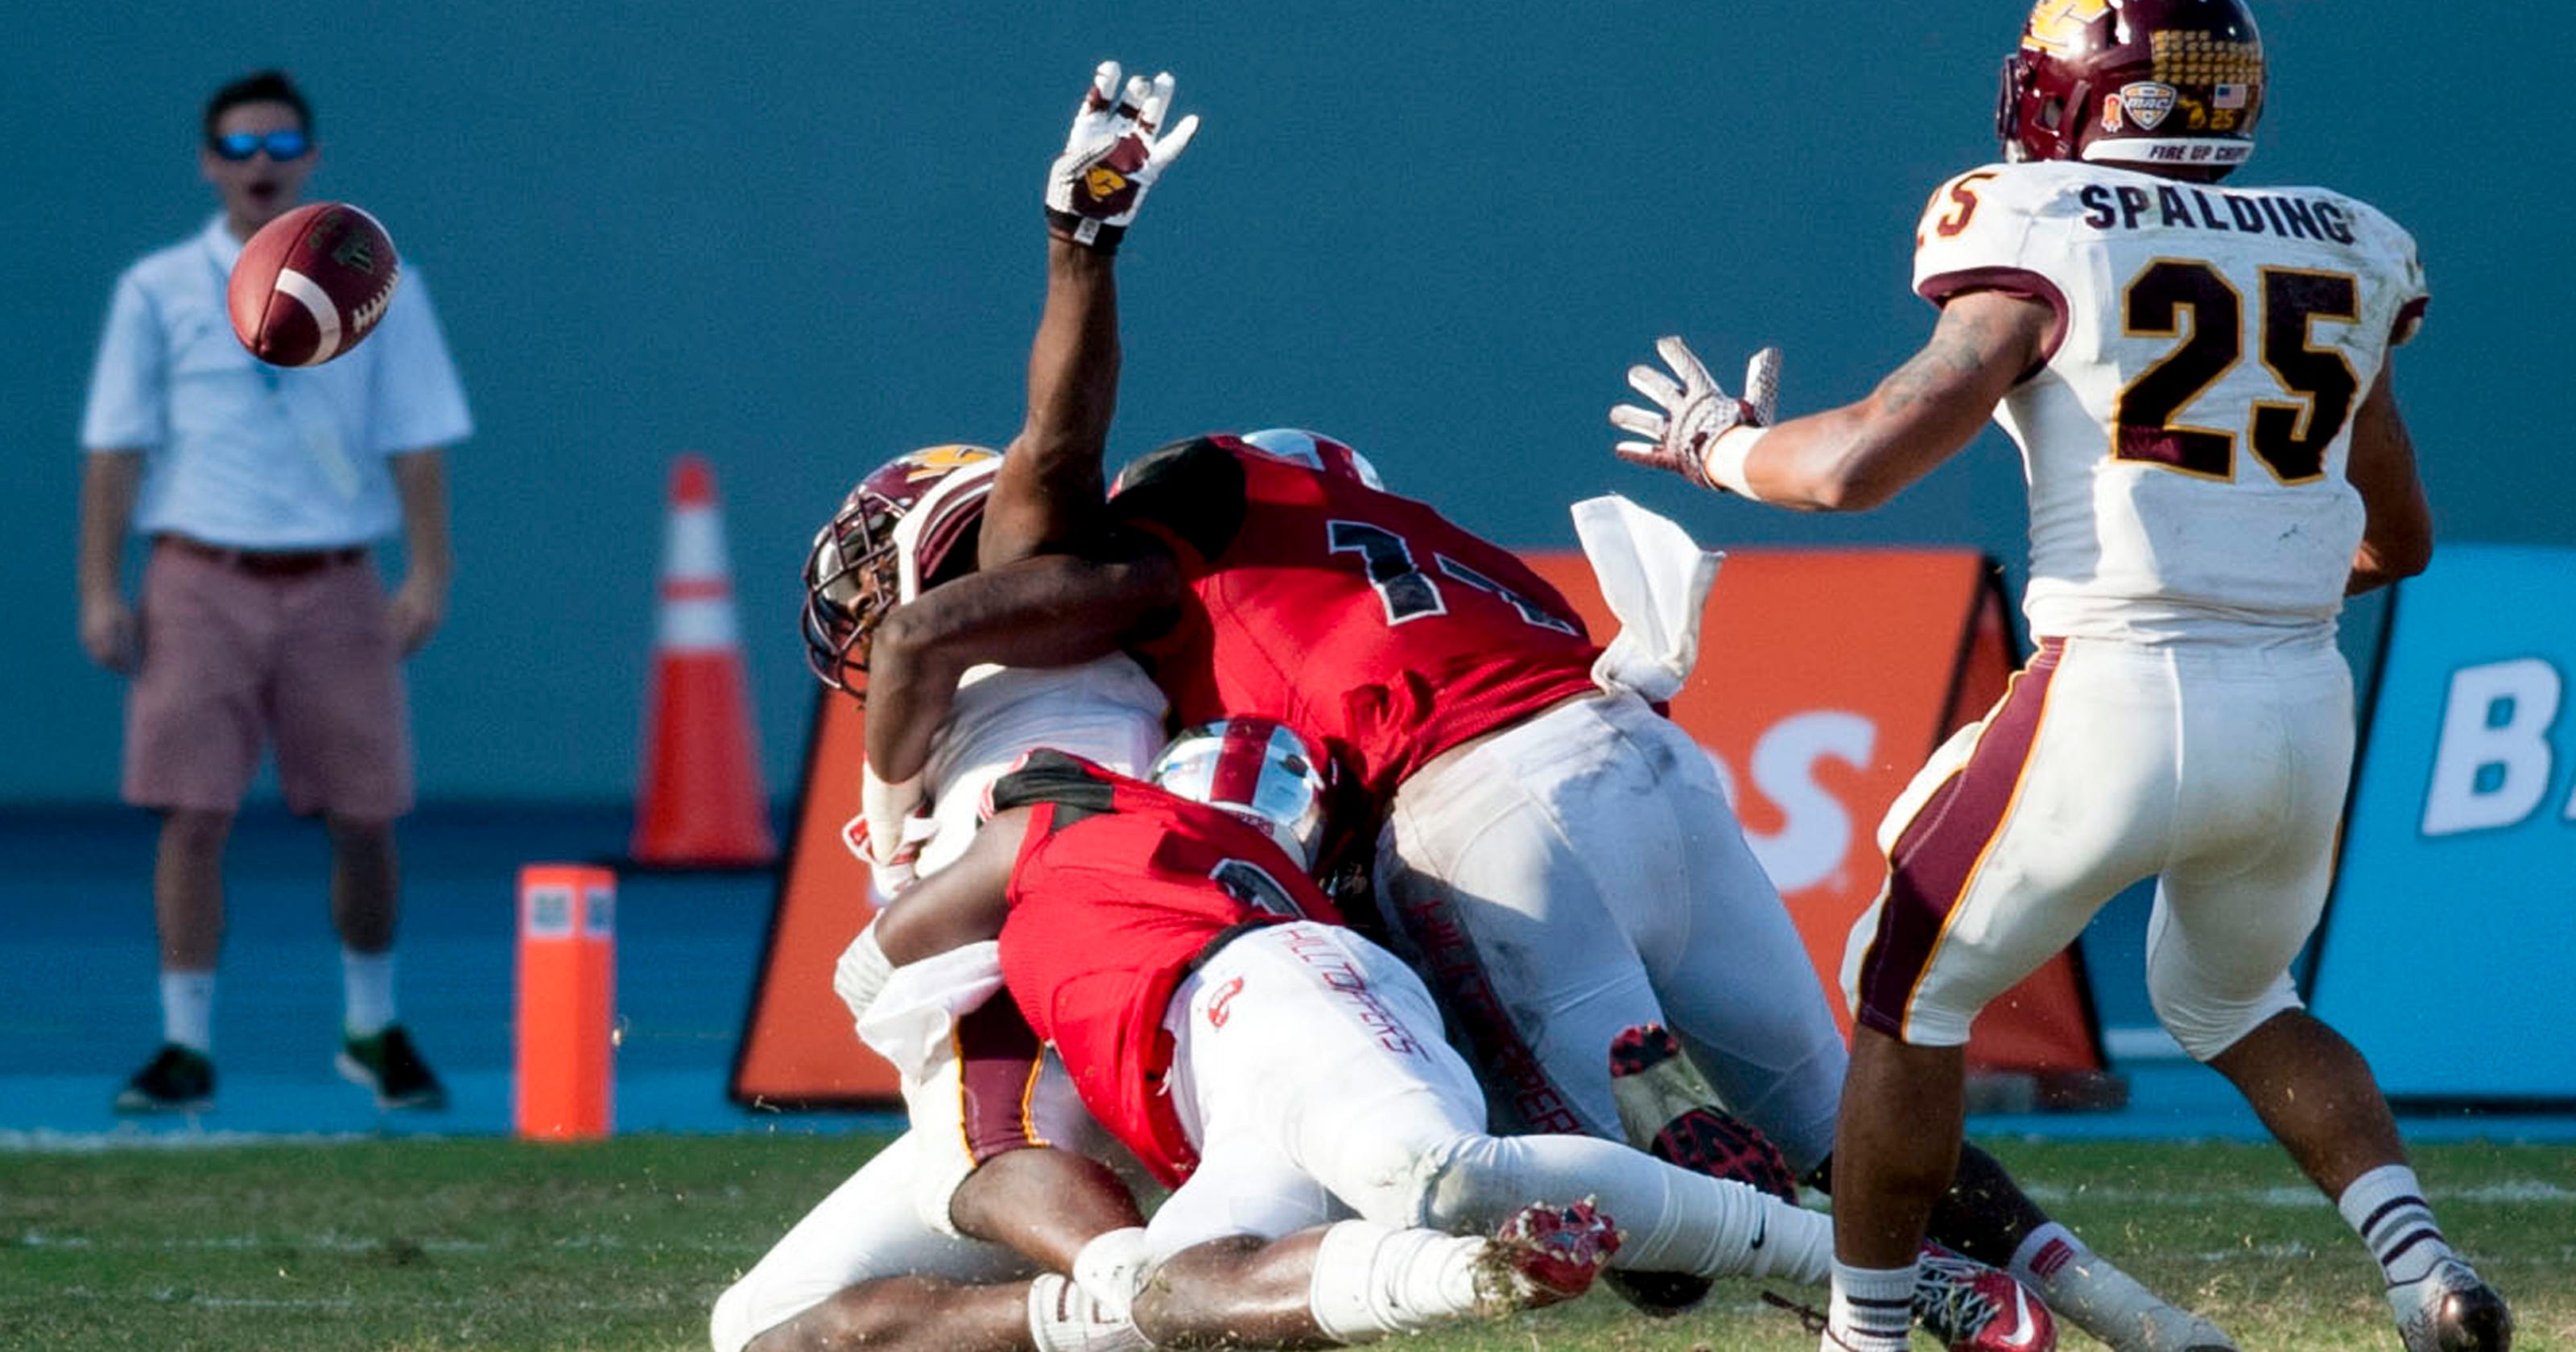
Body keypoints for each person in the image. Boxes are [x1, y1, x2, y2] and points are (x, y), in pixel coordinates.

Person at [858, 60, 2215, 1352]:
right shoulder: (1421, 545)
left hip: (1482, 814)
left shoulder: (1189, 555)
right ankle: (2122, 1313)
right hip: (1645, 761)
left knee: (1637, 1236)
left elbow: (1037, 515)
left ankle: (1744, 1194)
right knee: (1833, 1111)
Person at [1605, 3, 2509, 1350]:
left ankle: (1866, 1334)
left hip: (2117, 690)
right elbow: (2401, 537)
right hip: (2301, 702)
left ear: (2088, 93)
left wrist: (1720, 447)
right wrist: (2246, 581)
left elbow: (1859, 461)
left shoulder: (2036, 219)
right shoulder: (2349, 242)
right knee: (2242, 1000)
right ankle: (2423, 1268)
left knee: (1906, 998)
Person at [857, 723, 1844, 1348]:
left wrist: (899, 865)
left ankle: (1862, 1260)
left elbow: (900, 938)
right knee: (1171, 1305)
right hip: (1239, 1072)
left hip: (1262, 992)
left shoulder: (1069, 807)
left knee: (1440, 1175)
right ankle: (1477, 1270)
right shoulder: (1245, 858)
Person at [77, 69, 470, 1114]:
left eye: (281, 142)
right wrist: (99, 589)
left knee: (366, 813)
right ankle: (184, 1042)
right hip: (199, 577)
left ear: (311, 158)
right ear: (211, 164)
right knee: (192, 813)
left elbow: (417, 438)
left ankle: (373, 1026)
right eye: (240, 146)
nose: (261, 162)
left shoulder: (383, 284)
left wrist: (428, 568)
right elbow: (115, 449)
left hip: (337, 579)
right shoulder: (157, 289)